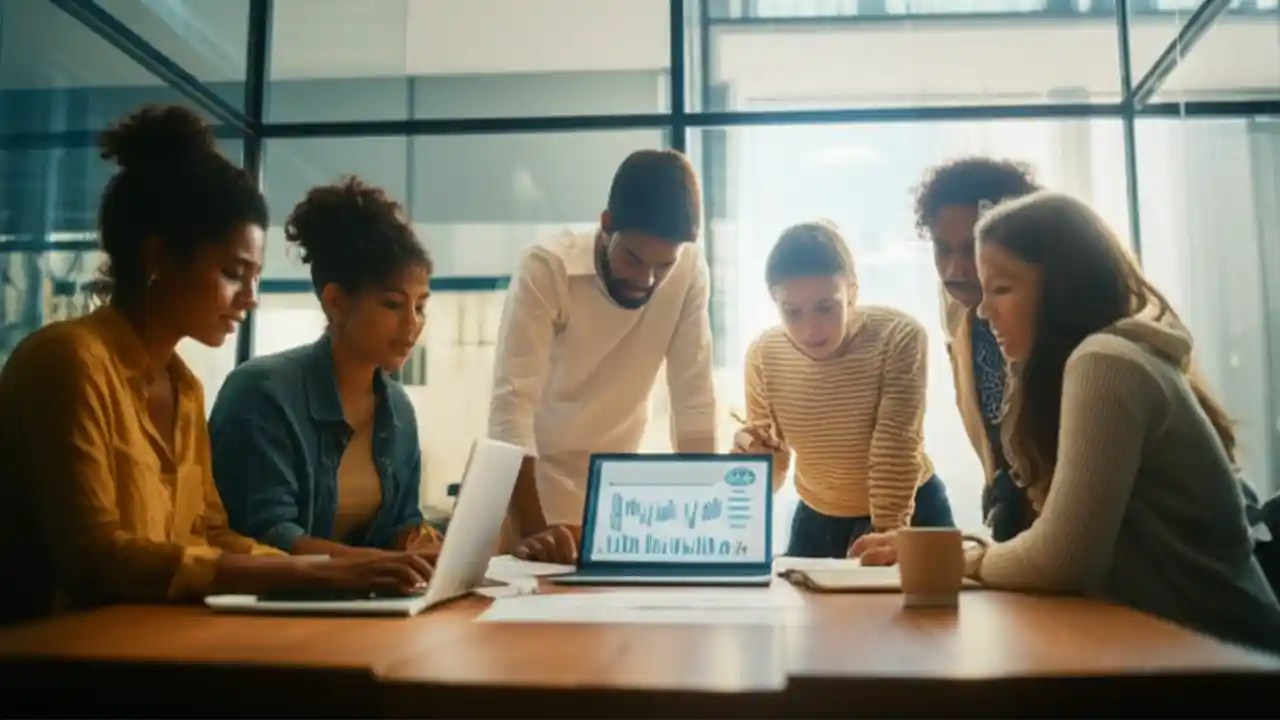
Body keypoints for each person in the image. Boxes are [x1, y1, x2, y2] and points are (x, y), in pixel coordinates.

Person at [0, 106, 430, 622]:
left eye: (254, 278)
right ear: (158, 258)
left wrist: (334, 573)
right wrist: (311, 572)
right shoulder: (69, 362)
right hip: (59, 659)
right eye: (233, 273)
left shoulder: (184, 387)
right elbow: (94, 558)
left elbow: (211, 534)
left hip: (156, 646)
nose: (249, 298)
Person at [964, 191, 1279, 651]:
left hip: (1228, 664)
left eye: (1002, 289)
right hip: (1172, 648)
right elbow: (1055, 539)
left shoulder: (1106, 362)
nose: (982, 311)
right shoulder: (1110, 357)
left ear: (1063, 285)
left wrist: (966, 560)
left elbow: (1064, 561)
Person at [491, 149, 716, 563]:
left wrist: (703, 525)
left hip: (616, 492)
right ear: (606, 225)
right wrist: (531, 530)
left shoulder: (688, 271)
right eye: (633, 258)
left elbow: (694, 400)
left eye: (662, 264)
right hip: (532, 486)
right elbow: (512, 404)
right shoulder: (547, 266)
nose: (646, 280)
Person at [210, 178, 440, 559]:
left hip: (360, 608)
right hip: (265, 610)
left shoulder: (397, 408)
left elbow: (402, 523)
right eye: (392, 304)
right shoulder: (262, 392)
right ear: (336, 303)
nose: (413, 324)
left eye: (421, 306)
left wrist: (449, 548)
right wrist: (380, 566)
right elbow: (268, 535)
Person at [732, 221, 954, 558]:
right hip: (818, 518)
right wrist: (751, 463)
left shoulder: (898, 336)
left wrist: (889, 534)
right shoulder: (764, 355)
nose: (810, 328)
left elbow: (895, 444)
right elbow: (775, 466)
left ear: (851, 291)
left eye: (826, 307)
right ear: (774, 302)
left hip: (911, 509)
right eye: (792, 312)